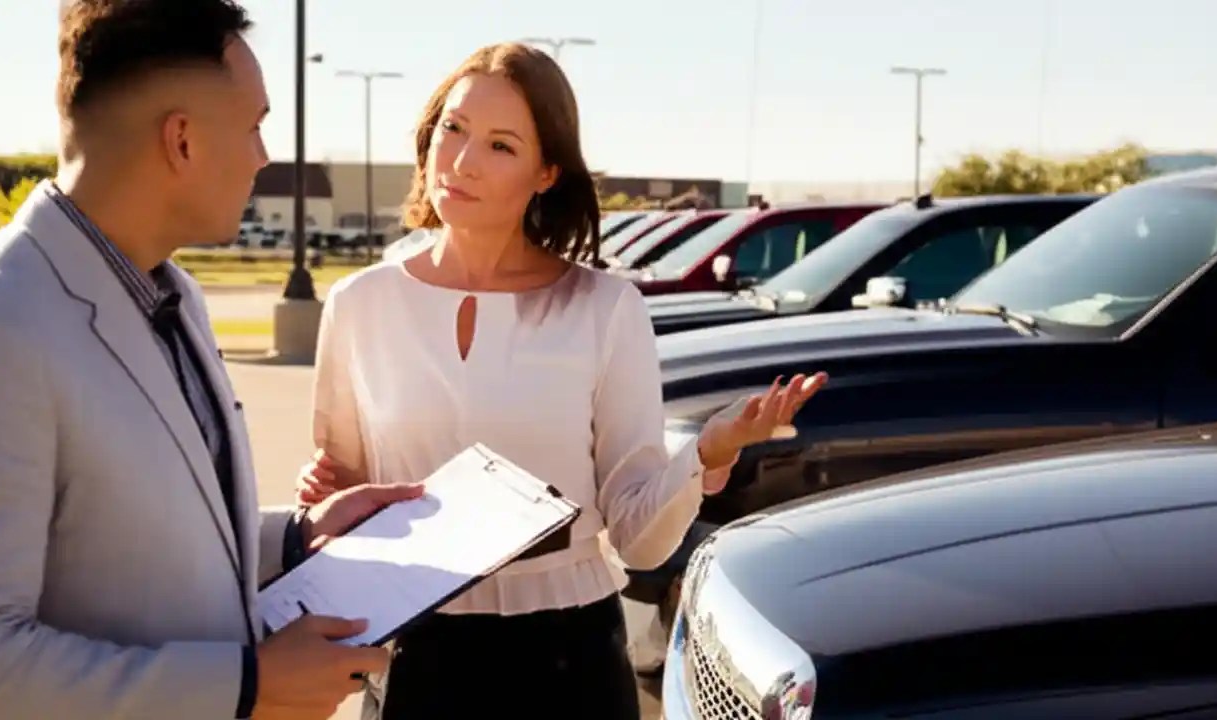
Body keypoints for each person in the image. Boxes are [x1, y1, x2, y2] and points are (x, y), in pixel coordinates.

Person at [294, 42, 828, 720]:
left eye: (500, 145)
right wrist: (323, 502)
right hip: (414, 657)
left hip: (567, 656)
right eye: (452, 129)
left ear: (546, 172)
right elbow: (344, 491)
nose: (460, 161)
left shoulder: (605, 309)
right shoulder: (358, 305)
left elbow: (637, 535)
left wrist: (705, 455)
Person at [0, 2, 423, 718]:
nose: (264, 156)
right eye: (256, 125)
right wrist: (246, 686)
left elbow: (140, 538)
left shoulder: (174, 295)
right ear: (183, 140)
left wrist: (297, 536)